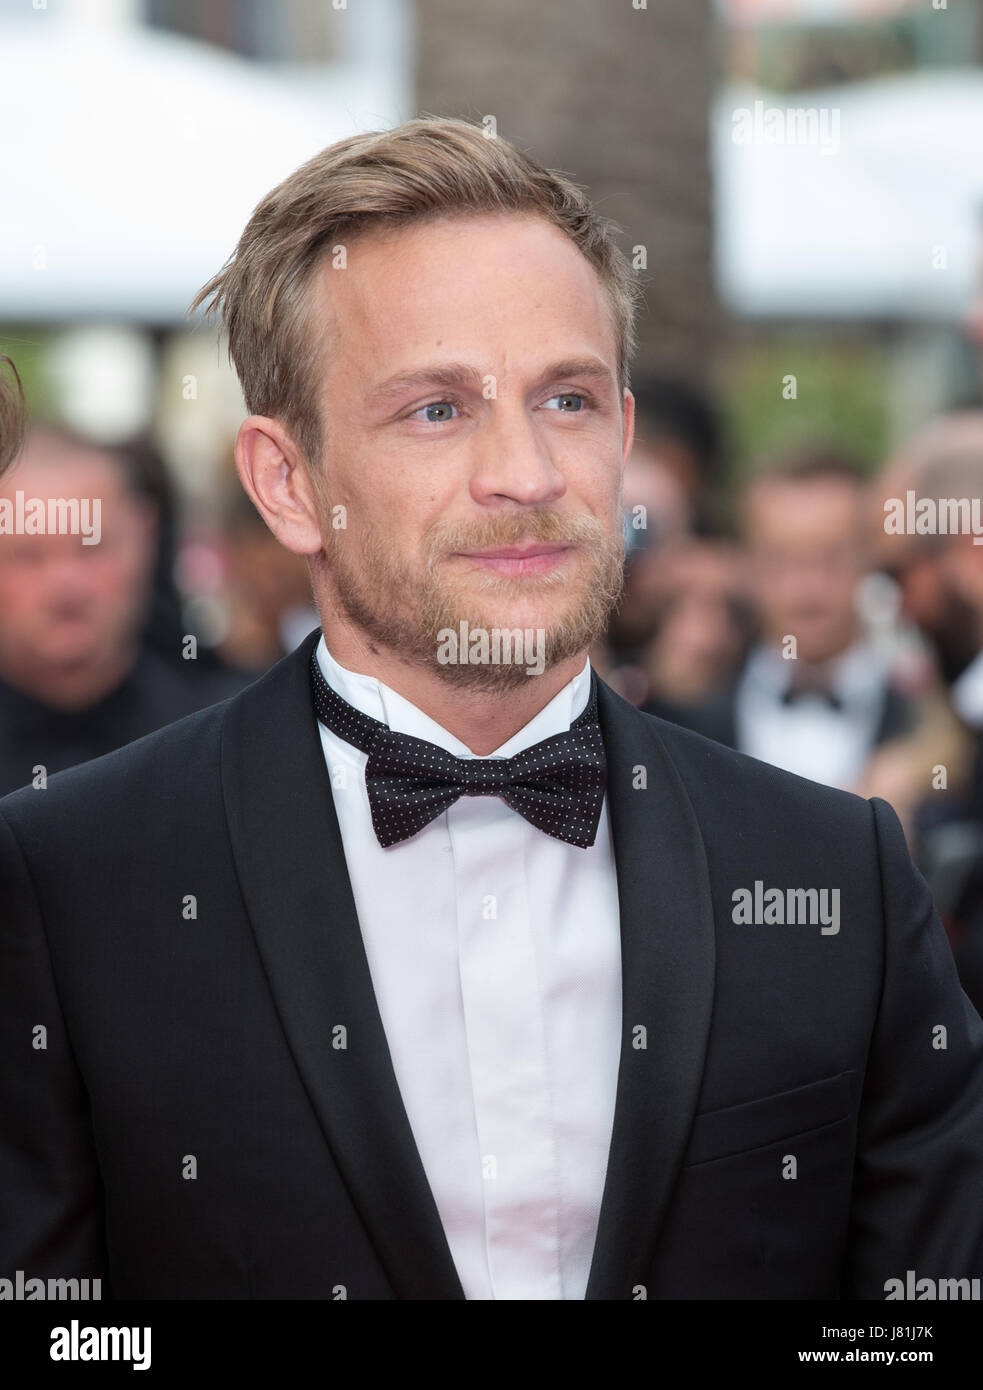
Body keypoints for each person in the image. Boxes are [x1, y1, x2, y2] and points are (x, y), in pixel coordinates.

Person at [1, 117, 981, 1301]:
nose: (521, 473)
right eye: (435, 409)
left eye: (565, 399)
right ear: (288, 481)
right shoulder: (72, 879)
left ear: (621, 438)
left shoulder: (836, 873)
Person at [0, 424, 250, 796]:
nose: (66, 586)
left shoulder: (233, 738)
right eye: (28, 556)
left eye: (92, 548)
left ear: (146, 537)